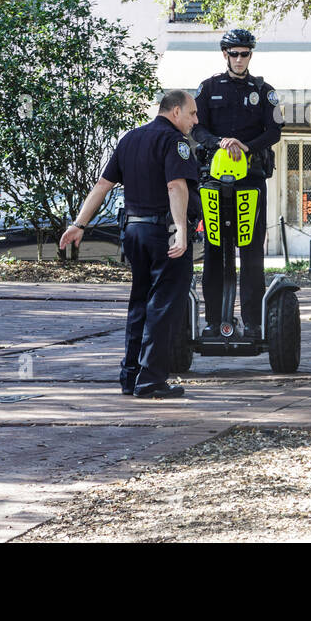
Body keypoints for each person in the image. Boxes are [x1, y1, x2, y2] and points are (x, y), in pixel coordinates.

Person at [59, 90, 200, 398]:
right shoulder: (174, 142)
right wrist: (180, 230)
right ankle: (150, 380)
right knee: (162, 306)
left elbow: (102, 185)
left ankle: (130, 376)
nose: (195, 120)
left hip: (134, 233)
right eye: (192, 113)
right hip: (163, 234)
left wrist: (78, 224)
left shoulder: (130, 139)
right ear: (175, 112)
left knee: (140, 303)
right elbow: (176, 186)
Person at [192, 28, 283, 338]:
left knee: (251, 251)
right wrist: (220, 142)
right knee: (215, 249)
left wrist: (246, 146)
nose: (240, 59)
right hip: (215, 182)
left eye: (245, 53)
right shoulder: (207, 88)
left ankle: (254, 323)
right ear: (225, 54)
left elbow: (274, 132)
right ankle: (214, 321)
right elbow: (197, 129)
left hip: (252, 180)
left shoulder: (265, 90)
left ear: (250, 55)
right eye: (235, 53)